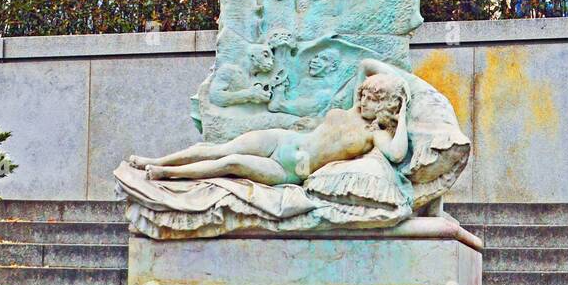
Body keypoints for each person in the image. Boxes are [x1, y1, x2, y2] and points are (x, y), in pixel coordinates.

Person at [129, 65, 410, 186]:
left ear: (386, 105)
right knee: (216, 149)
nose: (364, 100)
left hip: (290, 169)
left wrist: (405, 107)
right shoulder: (353, 109)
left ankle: (166, 173)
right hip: (283, 140)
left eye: (373, 98)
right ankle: (155, 160)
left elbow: (397, 154)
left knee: (231, 162)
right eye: (365, 93)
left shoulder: (377, 133)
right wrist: (397, 81)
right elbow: (365, 64)